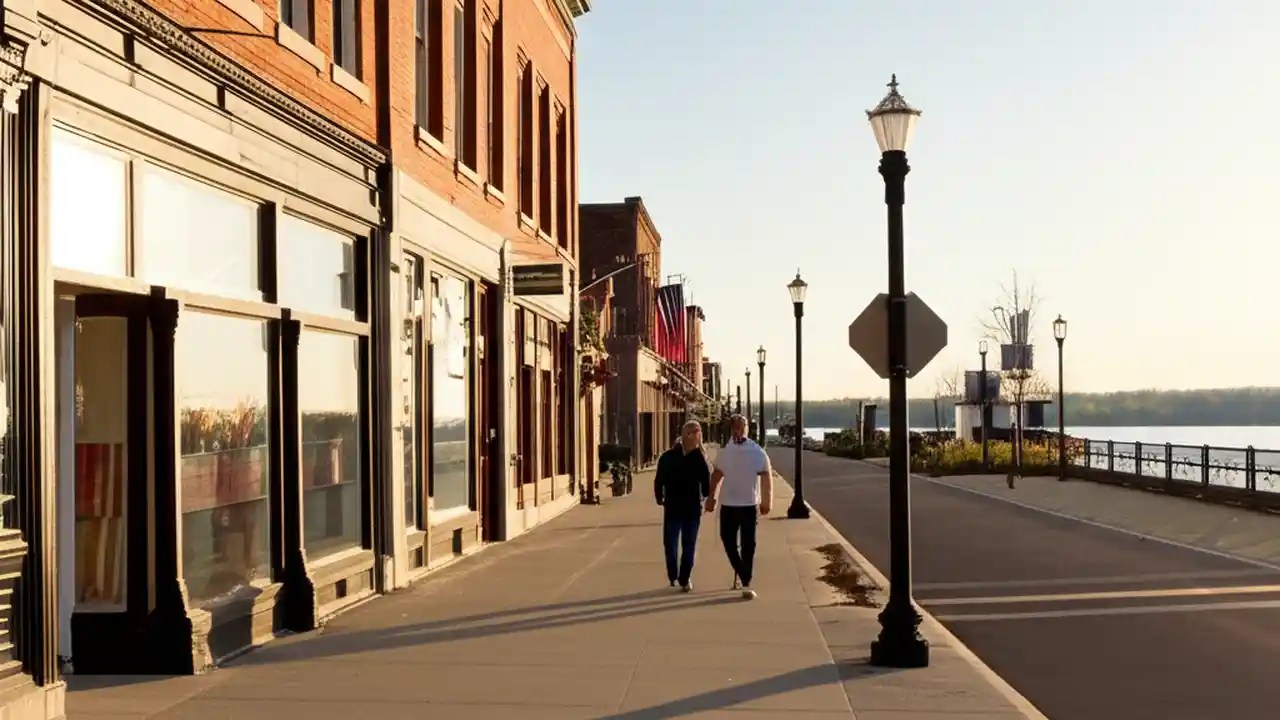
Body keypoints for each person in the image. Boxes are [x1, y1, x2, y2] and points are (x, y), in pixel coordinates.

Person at [706, 414, 772, 600]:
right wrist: (711, 497)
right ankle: (742, 572)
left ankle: (746, 582)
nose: (738, 430)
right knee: (727, 540)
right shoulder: (725, 452)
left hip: (749, 504)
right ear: (731, 429)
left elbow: (766, 475)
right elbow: (717, 475)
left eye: (741, 427)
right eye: (735, 427)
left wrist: (767, 500)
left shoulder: (757, 452)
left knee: (748, 544)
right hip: (728, 504)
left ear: (747, 429)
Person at [654, 420, 711, 592]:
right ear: (687, 435)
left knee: (689, 545)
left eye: (699, 433)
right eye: (696, 433)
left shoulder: (699, 458)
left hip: (691, 509)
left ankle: (684, 578)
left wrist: (706, 496)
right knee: (670, 544)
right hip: (672, 507)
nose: (699, 436)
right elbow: (659, 479)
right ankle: (673, 575)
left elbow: (706, 485)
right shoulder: (669, 457)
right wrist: (659, 496)